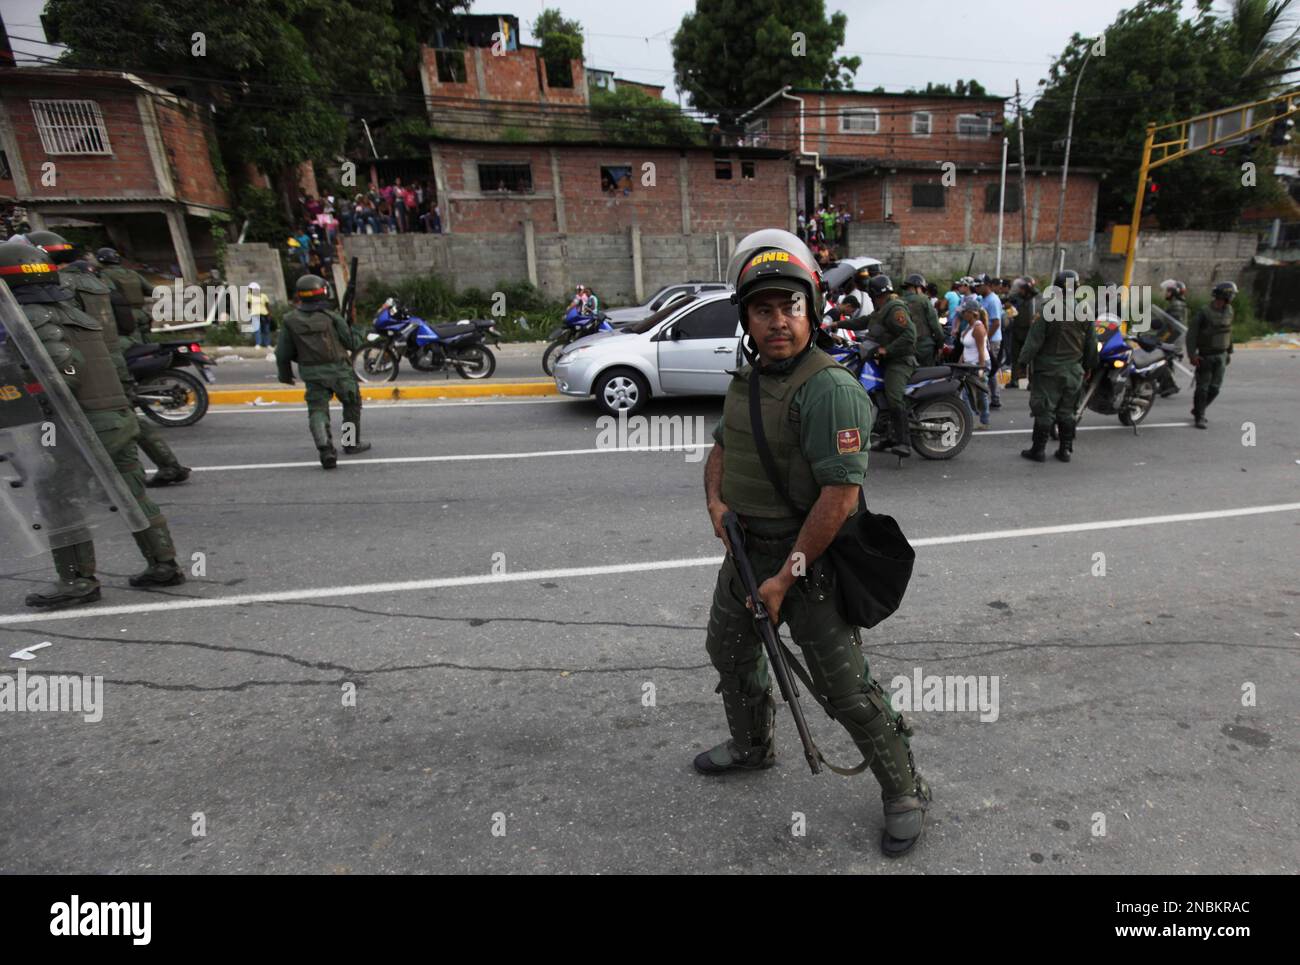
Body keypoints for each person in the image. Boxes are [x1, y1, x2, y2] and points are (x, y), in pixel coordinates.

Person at [696, 227, 930, 857]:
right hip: (746, 555)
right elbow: (723, 447)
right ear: (747, 318)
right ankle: (752, 746)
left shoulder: (829, 390)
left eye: (790, 307)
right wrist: (716, 503)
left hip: (809, 564)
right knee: (728, 653)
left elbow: (839, 500)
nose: (779, 321)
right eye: (764, 309)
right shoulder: (747, 378)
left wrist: (784, 578)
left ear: (813, 311)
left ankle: (905, 789)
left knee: (845, 692)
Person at [0, 241, 185, 606]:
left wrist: (25, 397)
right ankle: (164, 563)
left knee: (58, 499)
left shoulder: (32, 317)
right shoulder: (72, 312)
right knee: (129, 490)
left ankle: (77, 582)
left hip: (79, 423)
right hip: (114, 416)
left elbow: (64, 370)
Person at [31, 232, 190, 487]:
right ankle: (167, 465)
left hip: (87, 359)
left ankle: (95, 482)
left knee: (74, 418)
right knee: (125, 414)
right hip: (113, 355)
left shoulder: (63, 285)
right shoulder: (97, 281)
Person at [276, 274, 370, 468]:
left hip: (312, 375)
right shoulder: (332, 317)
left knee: (318, 410)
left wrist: (285, 375)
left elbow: (282, 353)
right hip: (340, 372)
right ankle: (350, 443)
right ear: (324, 293)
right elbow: (352, 343)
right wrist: (359, 331)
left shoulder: (290, 320)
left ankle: (325, 448)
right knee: (351, 404)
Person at [1017, 269, 1099, 462]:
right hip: (1073, 371)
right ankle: (1065, 450)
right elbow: (1091, 344)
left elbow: (1033, 341)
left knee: (1045, 410)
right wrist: (1088, 367)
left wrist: (1022, 363)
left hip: (1048, 371)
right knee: (1067, 411)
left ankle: (1038, 450)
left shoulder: (1048, 309)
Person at [849, 274, 916, 457]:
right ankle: (889, 436)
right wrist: (837, 324)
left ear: (876, 293)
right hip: (886, 361)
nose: (870, 297)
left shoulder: (895, 309)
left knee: (894, 397)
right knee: (880, 396)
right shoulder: (882, 310)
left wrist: (888, 349)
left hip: (900, 362)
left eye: (871, 294)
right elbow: (863, 322)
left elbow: (910, 335)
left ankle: (904, 442)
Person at [1185, 281, 1237, 429]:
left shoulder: (1229, 310)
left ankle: (1198, 409)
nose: (1232, 297)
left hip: (1221, 354)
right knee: (1202, 388)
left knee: (1215, 388)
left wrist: (1229, 350)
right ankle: (1200, 415)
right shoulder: (1204, 312)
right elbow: (1192, 335)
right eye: (1231, 294)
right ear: (1225, 294)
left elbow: (1228, 331)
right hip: (1206, 355)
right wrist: (1192, 355)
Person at [95, 246, 153, 342]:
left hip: (124, 315)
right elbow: (151, 291)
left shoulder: (104, 275)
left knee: (135, 347)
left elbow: (108, 294)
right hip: (142, 314)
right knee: (150, 344)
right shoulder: (132, 273)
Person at [954, 294, 990, 429]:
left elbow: (981, 350)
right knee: (966, 394)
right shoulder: (969, 326)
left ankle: (984, 420)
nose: (962, 314)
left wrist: (981, 369)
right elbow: (966, 348)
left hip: (979, 364)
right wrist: (960, 362)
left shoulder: (978, 328)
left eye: (964, 312)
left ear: (972, 313)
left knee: (981, 394)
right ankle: (970, 419)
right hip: (968, 364)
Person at [1152, 279, 1188, 398]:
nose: (1166, 293)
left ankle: (1169, 385)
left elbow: (1172, 325)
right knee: (1165, 360)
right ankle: (1165, 385)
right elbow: (1168, 321)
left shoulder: (1176, 305)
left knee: (1158, 358)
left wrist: (1159, 338)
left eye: (1168, 291)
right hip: (1174, 338)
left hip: (1173, 338)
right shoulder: (1177, 303)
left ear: (1174, 292)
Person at [900, 273, 944, 367]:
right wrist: (940, 345)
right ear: (918, 287)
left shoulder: (899, 302)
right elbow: (936, 326)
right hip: (925, 348)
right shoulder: (924, 300)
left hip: (905, 350)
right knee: (927, 378)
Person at [974, 274, 1003, 408]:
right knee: (987, 368)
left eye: (980, 285)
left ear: (987, 285)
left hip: (992, 339)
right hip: (986, 337)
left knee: (990, 369)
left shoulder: (993, 300)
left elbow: (996, 322)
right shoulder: (982, 299)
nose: (977, 288)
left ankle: (994, 398)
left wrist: (986, 338)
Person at [248, 281, 273, 348]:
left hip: (264, 314)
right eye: (250, 289)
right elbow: (248, 305)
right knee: (257, 330)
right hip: (255, 315)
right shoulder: (249, 296)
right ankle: (258, 344)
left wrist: (270, 314)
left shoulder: (264, 296)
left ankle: (267, 344)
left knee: (266, 330)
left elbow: (267, 305)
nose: (250, 290)